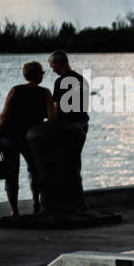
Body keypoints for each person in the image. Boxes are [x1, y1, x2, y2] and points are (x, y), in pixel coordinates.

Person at [0, 61, 54, 217]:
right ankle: (36, 202)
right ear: (38, 74)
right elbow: (51, 117)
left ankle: (15, 211)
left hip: (9, 136)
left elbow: (4, 116)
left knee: (11, 174)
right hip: (31, 138)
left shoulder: (15, 90)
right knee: (34, 170)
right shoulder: (45, 92)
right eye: (42, 73)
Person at [47, 50, 89, 210]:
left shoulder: (61, 82)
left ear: (59, 64)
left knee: (68, 165)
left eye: (53, 66)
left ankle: (77, 204)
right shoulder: (81, 79)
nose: (53, 70)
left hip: (68, 126)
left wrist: (51, 122)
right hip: (82, 124)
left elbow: (56, 106)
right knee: (75, 163)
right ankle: (76, 201)